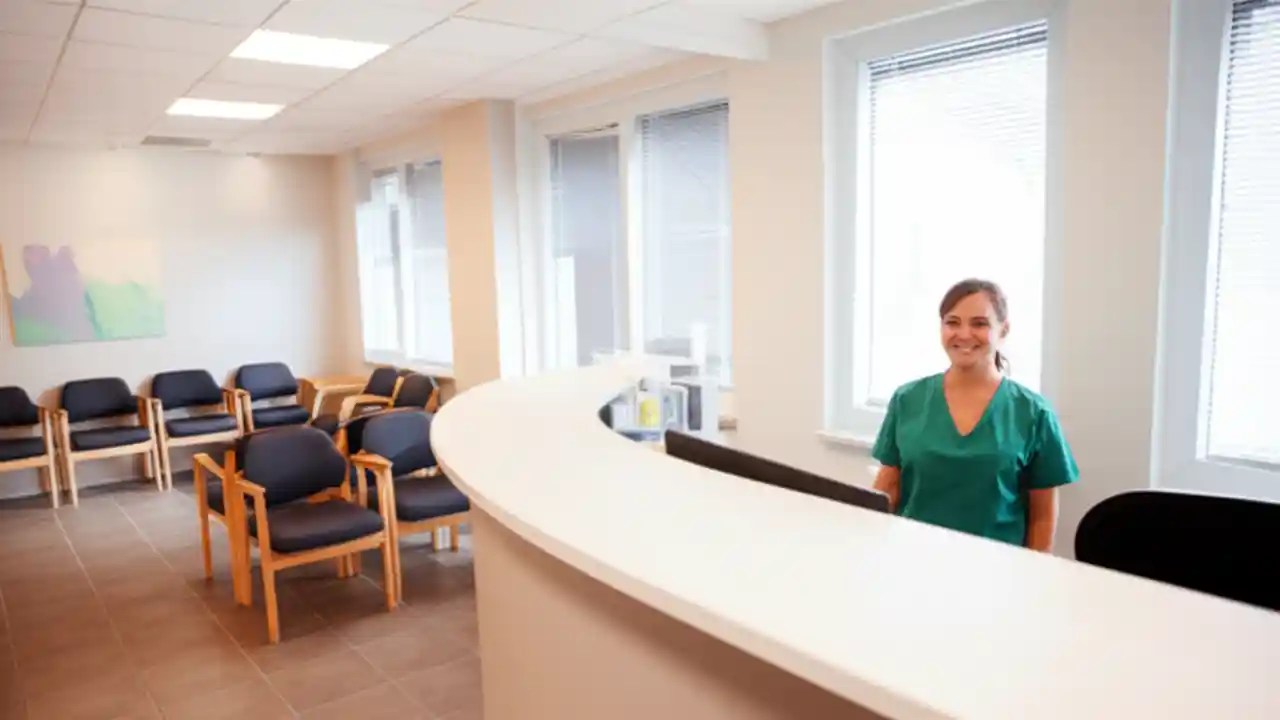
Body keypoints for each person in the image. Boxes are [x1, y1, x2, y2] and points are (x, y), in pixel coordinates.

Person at [871, 279, 1078, 551]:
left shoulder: (1033, 412)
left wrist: (1035, 572)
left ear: (1003, 330)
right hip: (912, 556)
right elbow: (887, 490)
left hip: (997, 568)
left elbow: (1042, 516)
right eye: (952, 322)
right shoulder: (907, 399)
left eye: (979, 324)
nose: (964, 334)